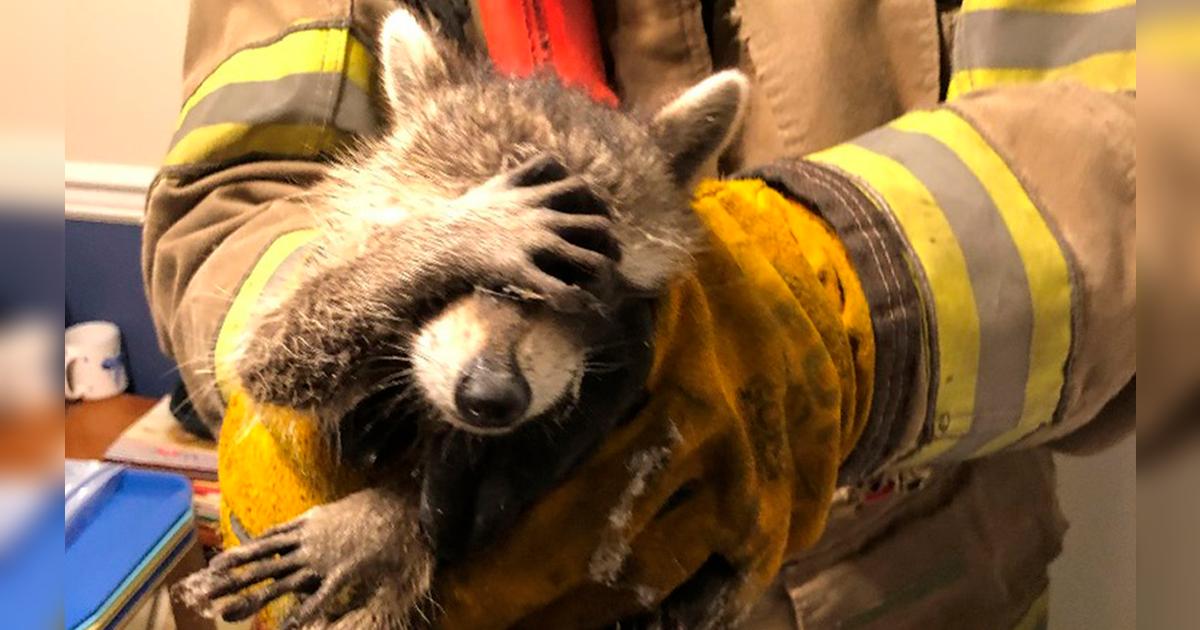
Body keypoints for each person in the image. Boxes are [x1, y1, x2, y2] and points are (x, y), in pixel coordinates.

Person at [145, 0, 1136, 627]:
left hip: (918, 581)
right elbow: (239, 191)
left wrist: (840, 300)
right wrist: (342, 383)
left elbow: (1151, 132)